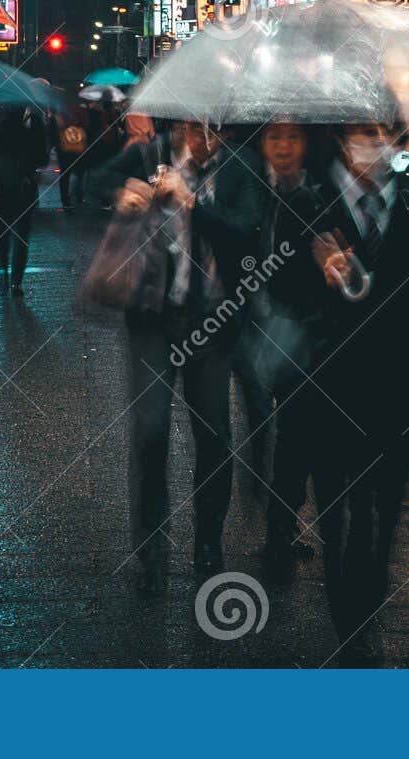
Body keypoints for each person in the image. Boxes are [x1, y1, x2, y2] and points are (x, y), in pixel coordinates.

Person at [93, 120, 265, 592]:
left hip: (211, 321)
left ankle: (208, 541)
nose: (203, 137)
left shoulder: (239, 167)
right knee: (150, 431)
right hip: (151, 316)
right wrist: (121, 190)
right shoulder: (149, 157)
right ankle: (151, 549)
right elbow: (93, 180)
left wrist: (194, 204)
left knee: (213, 435)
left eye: (211, 126)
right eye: (193, 125)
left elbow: (249, 228)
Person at [308, 121, 409, 663]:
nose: (374, 144)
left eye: (383, 134)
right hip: (329, 382)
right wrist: (317, 267)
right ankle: (345, 610)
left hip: (395, 384)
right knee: (339, 506)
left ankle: (365, 607)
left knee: (382, 508)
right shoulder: (312, 199)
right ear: (344, 140)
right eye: (364, 133)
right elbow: (274, 286)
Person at [243, 121, 331, 583]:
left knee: (297, 435)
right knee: (289, 434)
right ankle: (279, 524)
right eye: (274, 138)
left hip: (301, 332)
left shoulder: (316, 193)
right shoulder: (253, 189)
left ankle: (281, 527)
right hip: (260, 327)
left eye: (293, 138)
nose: (283, 147)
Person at [0, 106, 49, 296]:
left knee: (3, 232)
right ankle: (16, 283)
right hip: (25, 188)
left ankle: (2, 271)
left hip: (2, 187)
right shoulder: (30, 131)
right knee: (22, 237)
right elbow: (42, 159)